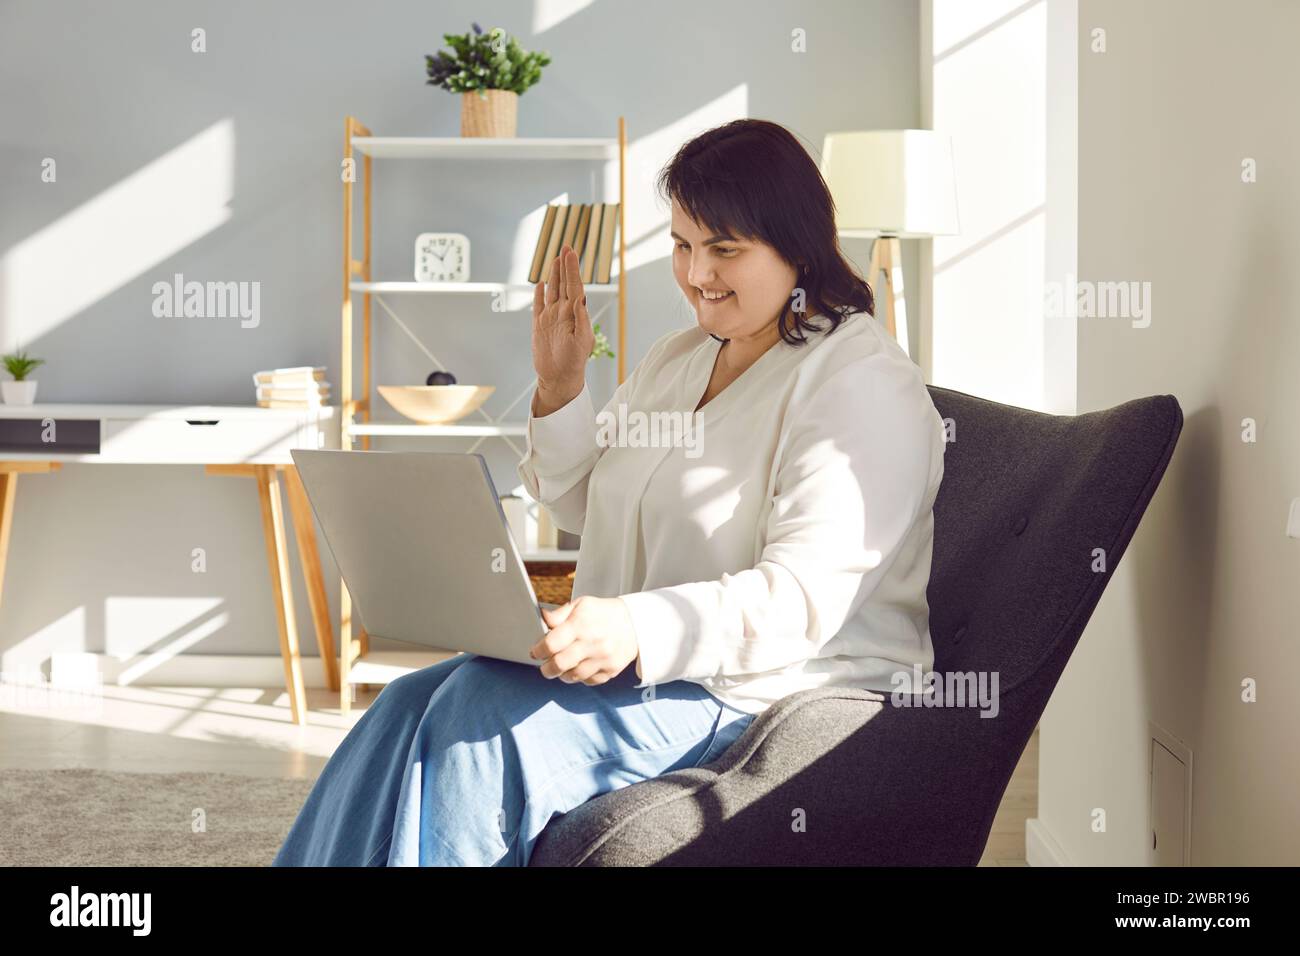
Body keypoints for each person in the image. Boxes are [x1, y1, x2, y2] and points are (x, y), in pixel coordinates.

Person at [272, 118, 946, 867]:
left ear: (799, 245)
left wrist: (636, 625)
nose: (696, 275)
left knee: (474, 716)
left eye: (724, 249)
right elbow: (587, 511)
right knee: (403, 705)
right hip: (655, 672)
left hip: (773, 693)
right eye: (683, 246)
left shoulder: (859, 384)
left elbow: (800, 602)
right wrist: (562, 386)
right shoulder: (681, 358)